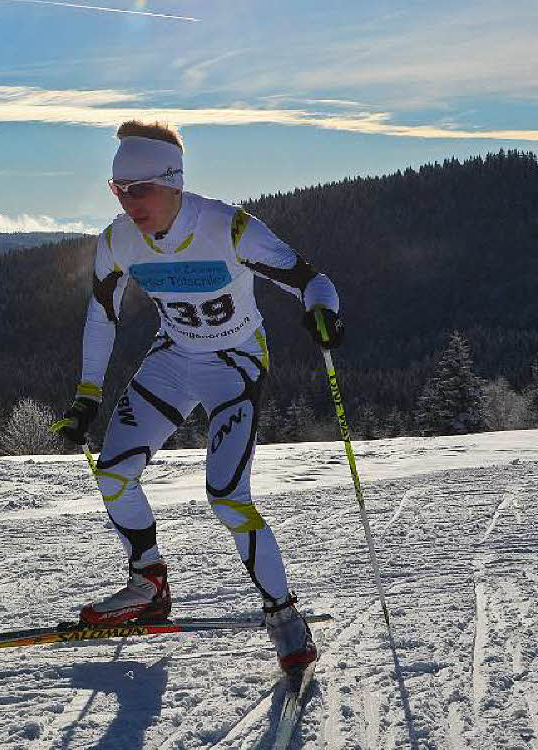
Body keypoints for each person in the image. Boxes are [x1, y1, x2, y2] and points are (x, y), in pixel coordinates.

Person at [52, 120, 343, 672]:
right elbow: (101, 314)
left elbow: (309, 279)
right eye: (118, 189)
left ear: (173, 181)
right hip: (175, 357)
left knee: (227, 495)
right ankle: (148, 584)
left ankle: (283, 614)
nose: (129, 201)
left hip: (233, 363)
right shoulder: (117, 240)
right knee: (113, 473)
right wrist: (87, 395)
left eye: (140, 189)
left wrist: (323, 312)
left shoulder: (228, 228)